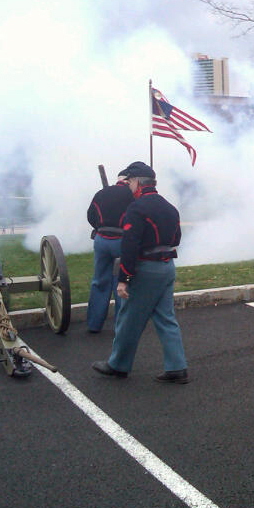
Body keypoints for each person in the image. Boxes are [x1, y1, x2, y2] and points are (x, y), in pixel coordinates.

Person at [92, 161, 189, 383]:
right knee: (166, 319)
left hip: (146, 269)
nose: (128, 186)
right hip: (166, 268)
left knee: (127, 319)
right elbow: (176, 240)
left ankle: (117, 365)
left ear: (136, 182)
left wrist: (124, 279)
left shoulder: (137, 208)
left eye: (129, 182)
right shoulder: (169, 207)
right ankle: (177, 367)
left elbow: (129, 246)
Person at [86, 170, 134, 333]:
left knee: (99, 281)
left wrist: (100, 227)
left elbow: (91, 216)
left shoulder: (101, 193)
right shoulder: (132, 195)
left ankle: (93, 324)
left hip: (101, 240)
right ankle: (121, 326)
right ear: (129, 181)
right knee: (122, 282)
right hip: (122, 241)